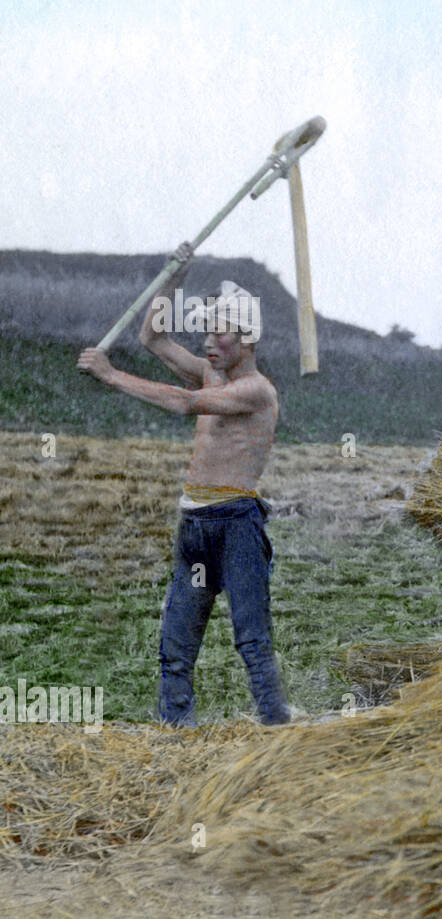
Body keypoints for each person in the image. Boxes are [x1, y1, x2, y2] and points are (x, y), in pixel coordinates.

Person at [76, 243, 291, 727]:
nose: (210, 342)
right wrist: (174, 280)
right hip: (195, 525)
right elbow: (152, 337)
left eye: (221, 333)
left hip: (236, 524)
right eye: (208, 330)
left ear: (249, 338)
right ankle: (176, 732)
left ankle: (277, 728)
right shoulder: (211, 372)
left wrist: (111, 376)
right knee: (177, 643)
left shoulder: (257, 391)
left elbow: (183, 403)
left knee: (251, 639)